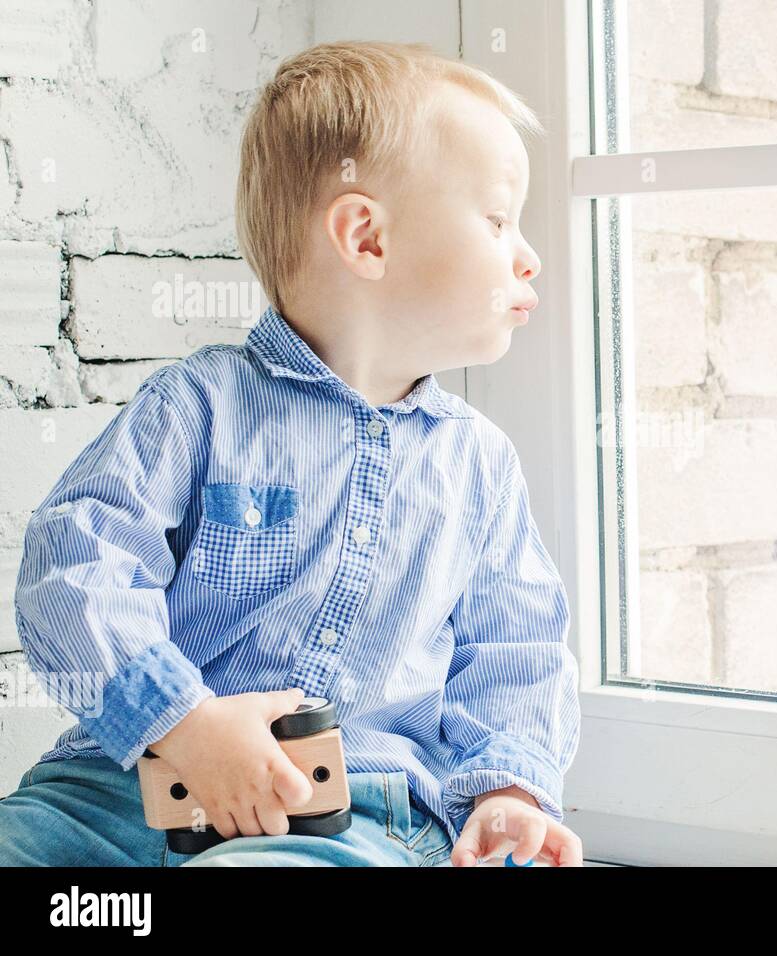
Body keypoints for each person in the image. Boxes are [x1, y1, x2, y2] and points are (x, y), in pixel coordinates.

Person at [0, 40, 582, 867]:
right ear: (366, 238)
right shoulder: (199, 406)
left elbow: (517, 652)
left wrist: (506, 793)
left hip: (351, 815)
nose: (526, 254)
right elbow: (72, 567)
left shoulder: (479, 465)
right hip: (118, 791)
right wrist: (183, 723)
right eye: (496, 220)